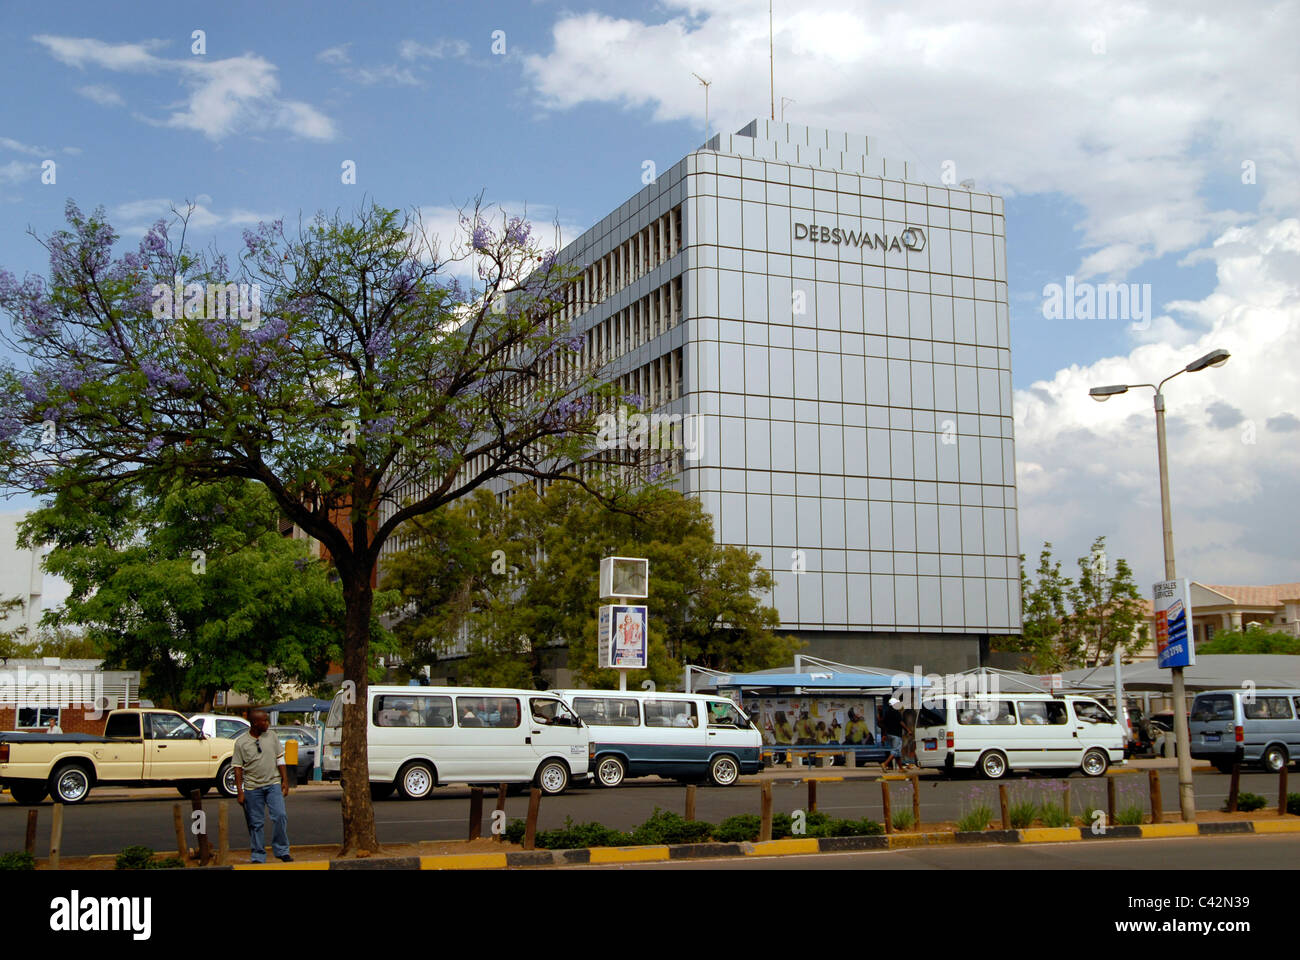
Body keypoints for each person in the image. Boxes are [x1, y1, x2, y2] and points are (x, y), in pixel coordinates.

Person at [232, 709, 291, 863]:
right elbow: (237, 768)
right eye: (264, 721)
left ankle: (281, 850)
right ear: (255, 723)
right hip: (252, 787)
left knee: (280, 816)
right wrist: (240, 791)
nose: (267, 723)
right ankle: (258, 854)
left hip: (273, 783)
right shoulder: (241, 743)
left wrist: (285, 781)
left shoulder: (272, 736)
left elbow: (280, 759)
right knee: (256, 822)